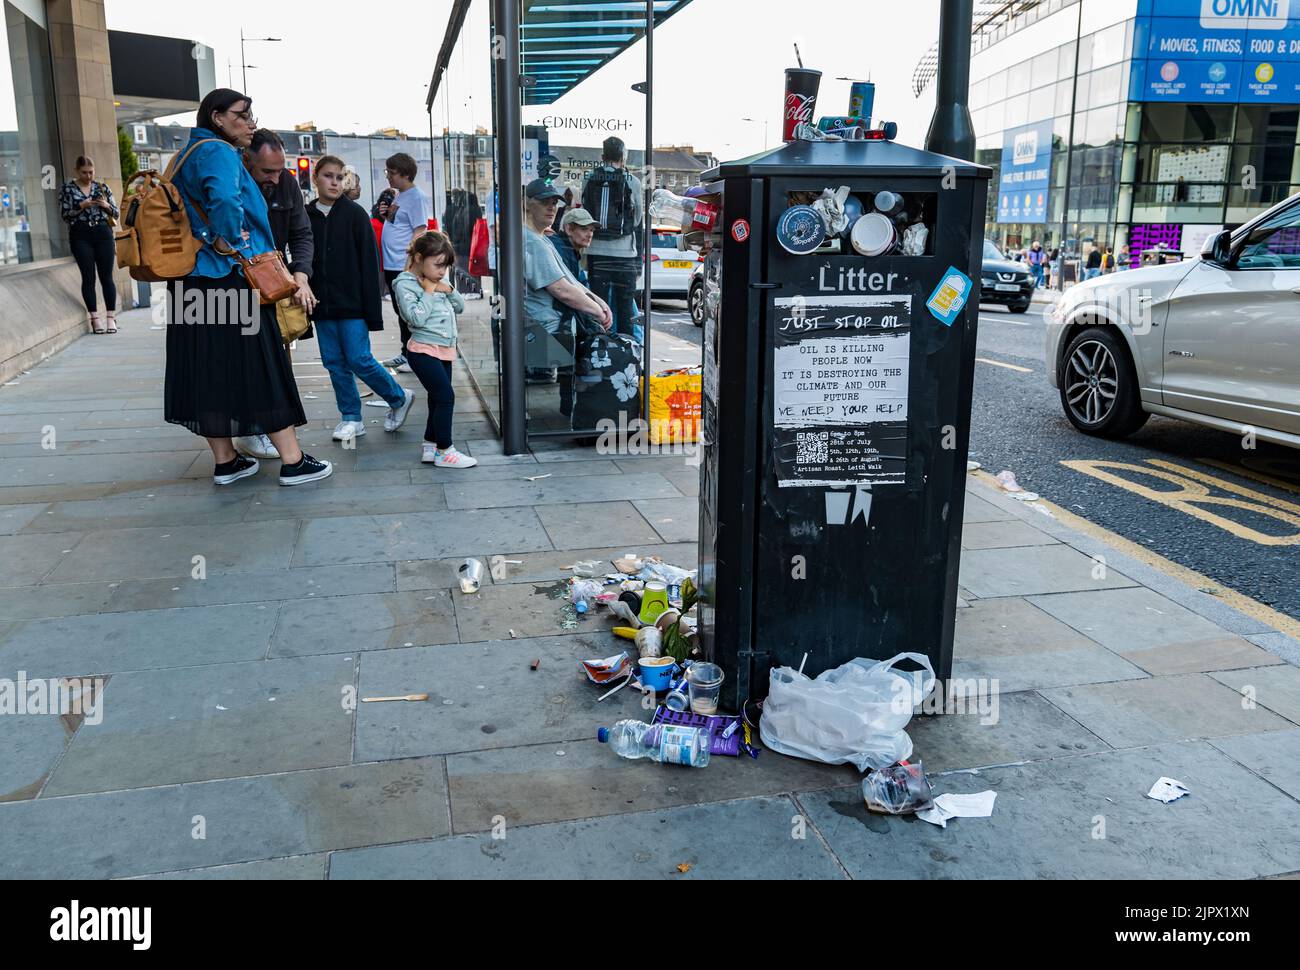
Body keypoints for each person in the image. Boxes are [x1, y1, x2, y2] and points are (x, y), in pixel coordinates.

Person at [165, 88, 331, 487]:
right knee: (261, 365)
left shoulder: (182, 155)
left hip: (191, 282)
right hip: (229, 278)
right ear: (217, 117)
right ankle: (292, 461)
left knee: (206, 369)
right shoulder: (218, 152)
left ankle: (226, 462)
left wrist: (208, 237)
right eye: (243, 115)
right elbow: (223, 200)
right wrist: (229, 241)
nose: (251, 122)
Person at [305, 155, 415, 443]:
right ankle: (351, 418)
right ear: (315, 177)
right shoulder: (305, 215)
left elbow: (370, 264)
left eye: (340, 177)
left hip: (352, 304)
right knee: (333, 362)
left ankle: (398, 396)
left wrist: (372, 312)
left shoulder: (355, 215)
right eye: (328, 176)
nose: (334, 182)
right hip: (320, 304)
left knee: (359, 358)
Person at [237, 128, 318, 460]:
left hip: (274, 280)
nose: (275, 176)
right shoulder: (234, 182)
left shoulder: (286, 184)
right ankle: (250, 430)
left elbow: (301, 233)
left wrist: (302, 276)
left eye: (279, 168)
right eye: (266, 170)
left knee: (279, 356)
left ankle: (271, 428)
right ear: (247, 160)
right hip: (237, 281)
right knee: (244, 359)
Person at [390, 232, 478, 468]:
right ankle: (445, 450)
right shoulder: (404, 284)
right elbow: (415, 319)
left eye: (445, 266)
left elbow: (459, 307)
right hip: (422, 350)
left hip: (444, 349)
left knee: (437, 399)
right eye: (438, 265)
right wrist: (429, 291)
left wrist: (447, 289)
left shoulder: (440, 281)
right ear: (419, 257)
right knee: (446, 397)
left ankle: (430, 445)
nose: (441, 271)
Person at [524, 179, 611, 402]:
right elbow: (562, 290)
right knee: (599, 342)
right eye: (545, 202)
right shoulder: (531, 242)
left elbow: (570, 281)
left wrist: (599, 302)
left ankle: (576, 408)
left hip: (552, 324)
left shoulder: (542, 238)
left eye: (554, 202)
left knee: (597, 331)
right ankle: (581, 409)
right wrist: (597, 311)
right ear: (526, 203)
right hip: (544, 331)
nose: (552, 207)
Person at [581, 136, 643, 340]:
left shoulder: (589, 178)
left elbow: (585, 215)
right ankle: (624, 353)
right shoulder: (632, 181)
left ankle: (599, 351)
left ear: (602, 156)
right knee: (625, 309)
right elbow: (637, 220)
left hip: (596, 255)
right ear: (623, 158)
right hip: (625, 255)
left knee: (598, 307)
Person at [377, 153, 427, 374]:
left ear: (405, 174)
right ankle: (406, 352)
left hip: (401, 263)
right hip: (392, 262)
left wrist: (410, 263)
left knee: (407, 310)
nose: (388, 176)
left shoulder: (416, 197)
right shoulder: (400, 195)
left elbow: (419, 230)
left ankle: (414, 356)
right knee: (400, 310)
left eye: (392, 173)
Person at [58, 156, 120, 334]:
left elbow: (115, 214)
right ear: (77, 171)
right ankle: (95, 319)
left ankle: (110, 318)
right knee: (88, 278)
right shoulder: (67, 189)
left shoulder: (102, 187)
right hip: (80, 235)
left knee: (106, 277)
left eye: (91, 172)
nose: (88, 176)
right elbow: (65, 216)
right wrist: (81, 206)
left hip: (103, 233)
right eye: (84, 173)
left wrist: (106, 205)